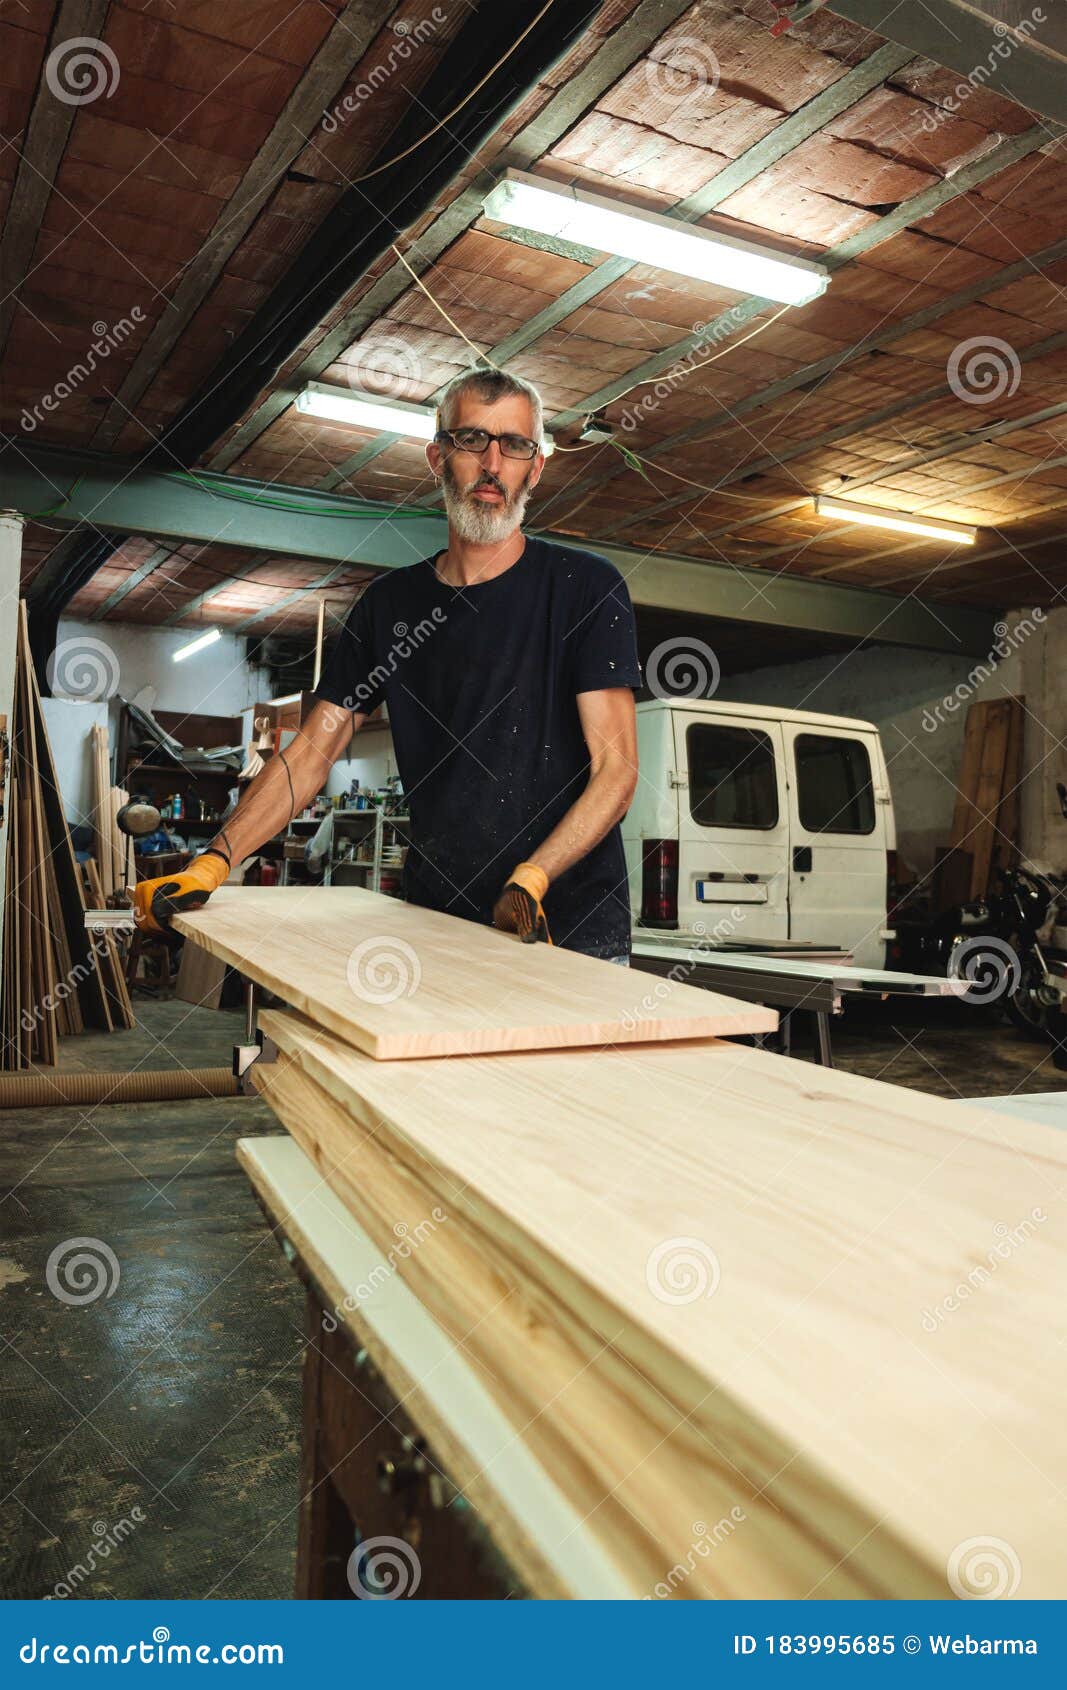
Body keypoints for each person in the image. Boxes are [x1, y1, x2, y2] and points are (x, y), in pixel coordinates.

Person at [134, 369, 641, 961]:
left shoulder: (585, 588)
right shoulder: (388, 606)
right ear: (437, 457)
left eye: (515, 445)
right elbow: (309, 755)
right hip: (439, 924)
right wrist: (213, 862)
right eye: (472, 440)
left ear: (536, 467)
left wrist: (534, 876)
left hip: (568, 928)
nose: (492, 464)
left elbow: (617, 770)